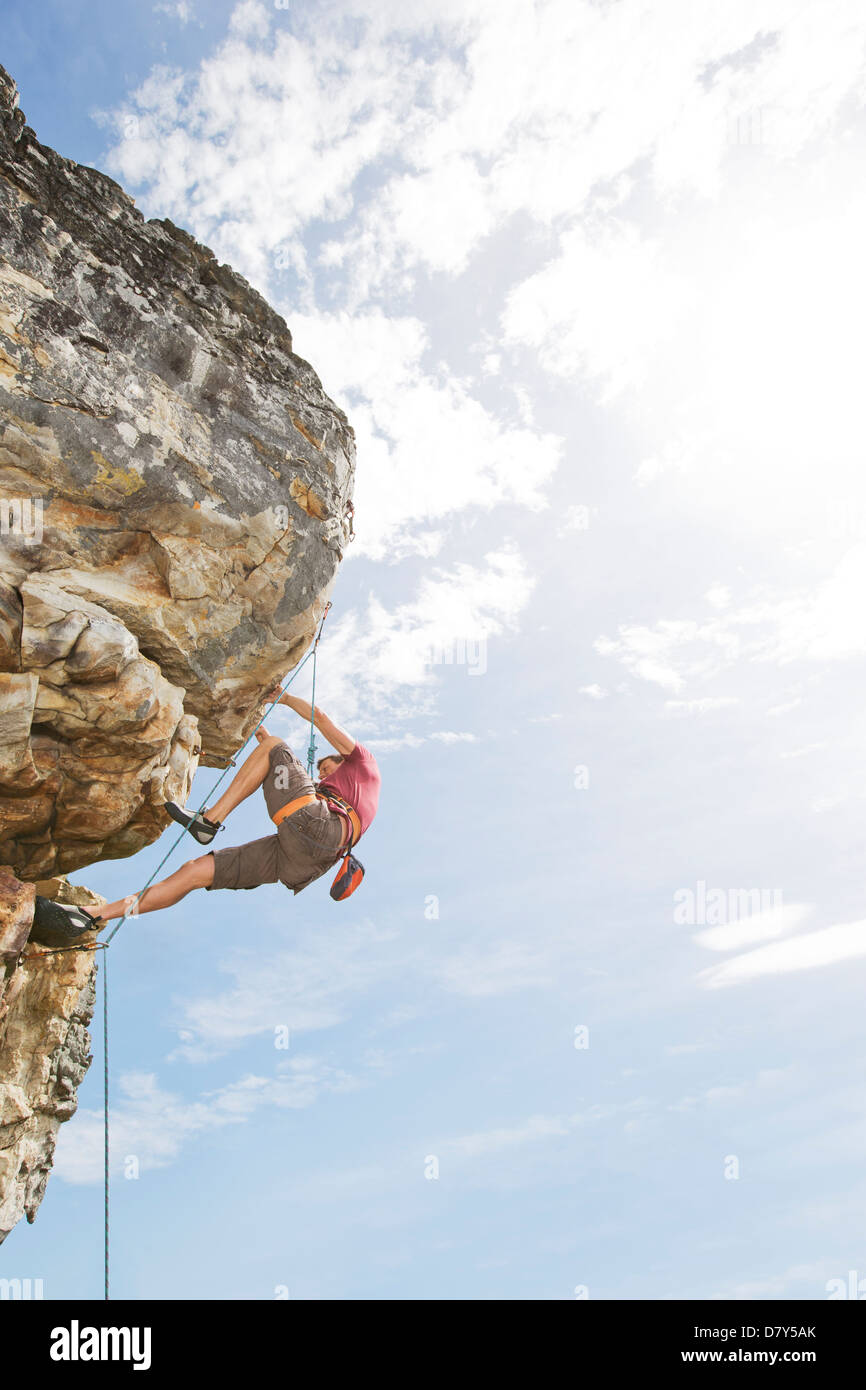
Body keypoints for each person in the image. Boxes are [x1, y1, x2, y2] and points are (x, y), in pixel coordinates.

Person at [30, 690, 381, 941]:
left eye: (326, 767)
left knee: (276, 746)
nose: (322, 774)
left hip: (320, 829)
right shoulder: (339, 794)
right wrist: (263, 740)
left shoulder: (363, 762)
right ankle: (90, 916)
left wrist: (285, 698)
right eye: (320, 771)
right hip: (303, 862)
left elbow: (321, 719)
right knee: (194, 872)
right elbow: (276, 767)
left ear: (343, 761)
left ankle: (209, 821)